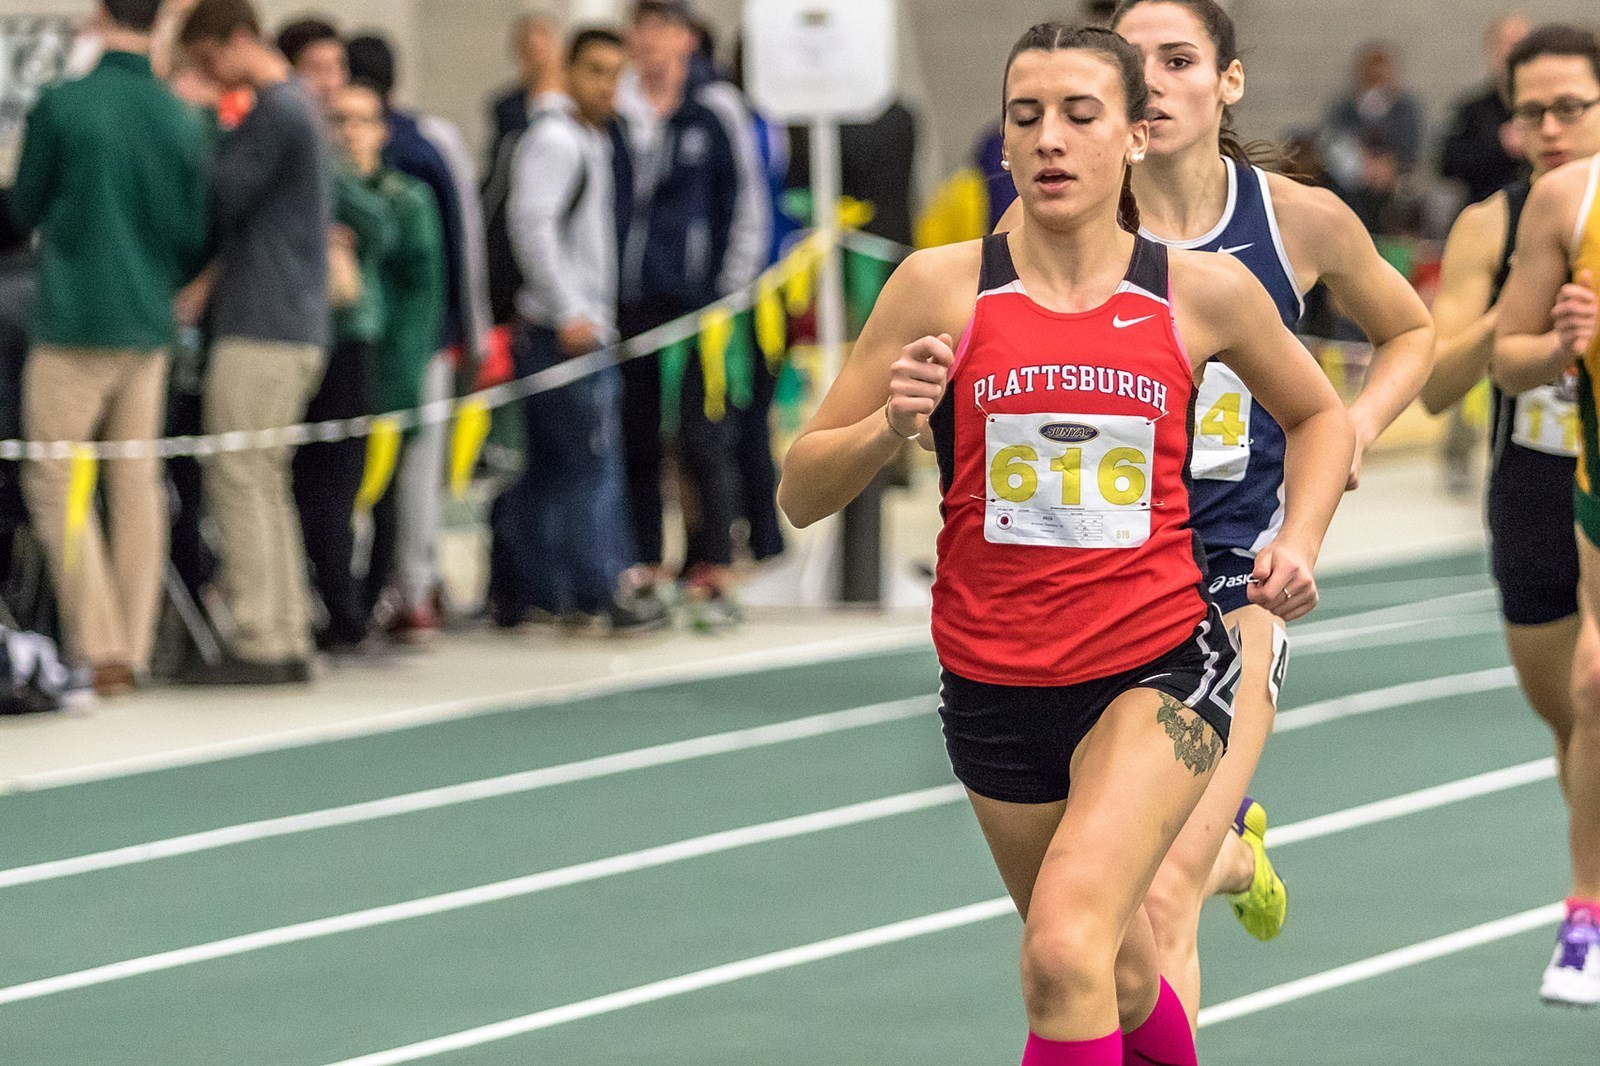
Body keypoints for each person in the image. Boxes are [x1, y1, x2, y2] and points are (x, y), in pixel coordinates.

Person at [780, 23, 1354, 1064]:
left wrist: (1298, 538)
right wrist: (887, 426)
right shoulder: (939, 289)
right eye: (1026, 116)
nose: (1049, 138)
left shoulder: (1198, 291)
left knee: (1058, 954)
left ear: (1134, 135)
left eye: (1080, 115)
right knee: (1118, 973)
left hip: (1156, 667)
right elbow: (800, 492)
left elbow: (1320, 416)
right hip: (993, 685)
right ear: (1003, 141)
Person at [996, 0, 1437, 1025]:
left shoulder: (1294, 220)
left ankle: (1208, 865)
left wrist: (1351, 429)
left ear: (1227, 81)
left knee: (1158, 898)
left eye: (1179, 59)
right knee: (1108, 912)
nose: (1153, 80)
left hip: (1235, 580)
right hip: (1103, 588)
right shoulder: (1053, 224)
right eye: (1132, 60)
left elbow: (1410, 330)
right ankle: (1236, 854)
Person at [6, 0, 209, 695]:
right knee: (136, 482)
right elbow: (193, 229)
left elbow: (24, 206)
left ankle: (98, 644)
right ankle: (136, 642)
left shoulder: (64, 104)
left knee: (54, 478)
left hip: (74, 318)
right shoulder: (180, 115)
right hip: (149, 320)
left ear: (99, 12)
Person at [1492, 27, 1600, 1009]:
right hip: (1561, 483)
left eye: (1571, 106)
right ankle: (1590, 910)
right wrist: (1560, 344)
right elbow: (1498, 358)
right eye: (1532, 111)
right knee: (1580, 700)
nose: (1551, 127)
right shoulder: (1549, 206)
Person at [180, 0, 331, 685]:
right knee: (265, 480)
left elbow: (218, 194)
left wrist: (198, 116)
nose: (210, 75)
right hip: (291, 323)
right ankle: (285, 628)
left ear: (239, 41)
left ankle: (261, 636)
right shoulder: (296, 108)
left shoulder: (276, 112)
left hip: (264, 325)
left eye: (209, 60)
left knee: (239, 477)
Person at [499, 28, 667, 634]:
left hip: (574, 326)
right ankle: (593, 591)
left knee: (559, 467)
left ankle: (547, 592)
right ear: (566, 71)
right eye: (594, 71)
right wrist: (570, 309)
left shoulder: (590, 138)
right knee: (589, 467)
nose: (606, 86)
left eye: (616, 74)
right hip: (565, 332)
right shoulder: (556, 140)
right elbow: (532, 227)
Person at [616, 0, 770, 627]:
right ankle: (646, 559)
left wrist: (730, 291)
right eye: (641, 28)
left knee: (704, 437)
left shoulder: (717, 109)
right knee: (637, 435)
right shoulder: (621, 107)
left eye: (662, 29)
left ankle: (712, 558)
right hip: (633, 304)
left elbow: (747, 201)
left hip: (701, 308)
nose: (649, 41)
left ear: (686, 38)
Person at [278, 17, 397, 654]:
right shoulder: (295, 136)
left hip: (351, 336)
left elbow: (382, 226)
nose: (329, 82)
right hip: (298, 332)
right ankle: (328, 605)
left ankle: (348, 609)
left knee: (342, 485)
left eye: (337, 69)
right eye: (316, 69)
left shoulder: (349, 166)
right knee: (305, 483)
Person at [1439, 12, 1531, 209]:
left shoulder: (1546, 107)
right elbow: (1447, 164)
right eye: (1510, 44)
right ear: (1492, 50)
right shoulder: (1473, 109)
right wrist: (1500, 146)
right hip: (1487, 205)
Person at [1319, 41, 1426, 209]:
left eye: (1382, 77)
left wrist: (1389, 165)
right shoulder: (1345, 108)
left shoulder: (1406, 108)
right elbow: (1336, 141)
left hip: (1396, 174)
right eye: (1373, 77)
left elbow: (1411, 142)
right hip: (1353, 176)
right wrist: (1364, 164)